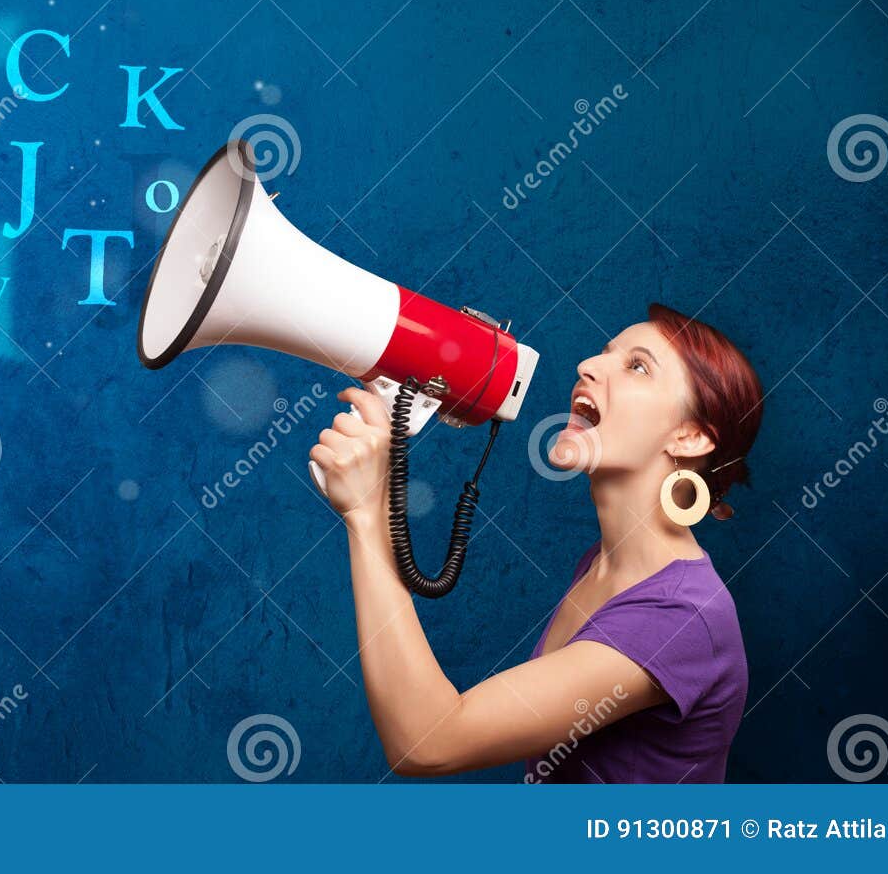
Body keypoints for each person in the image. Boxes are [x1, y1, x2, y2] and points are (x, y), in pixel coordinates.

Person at [309, 303, 763, 782]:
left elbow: (428, 742)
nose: (587, 366)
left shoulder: (680, 617)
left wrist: (367, 513)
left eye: (637, 366)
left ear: (690, 437)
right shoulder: (606, 566)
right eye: (605, 353)